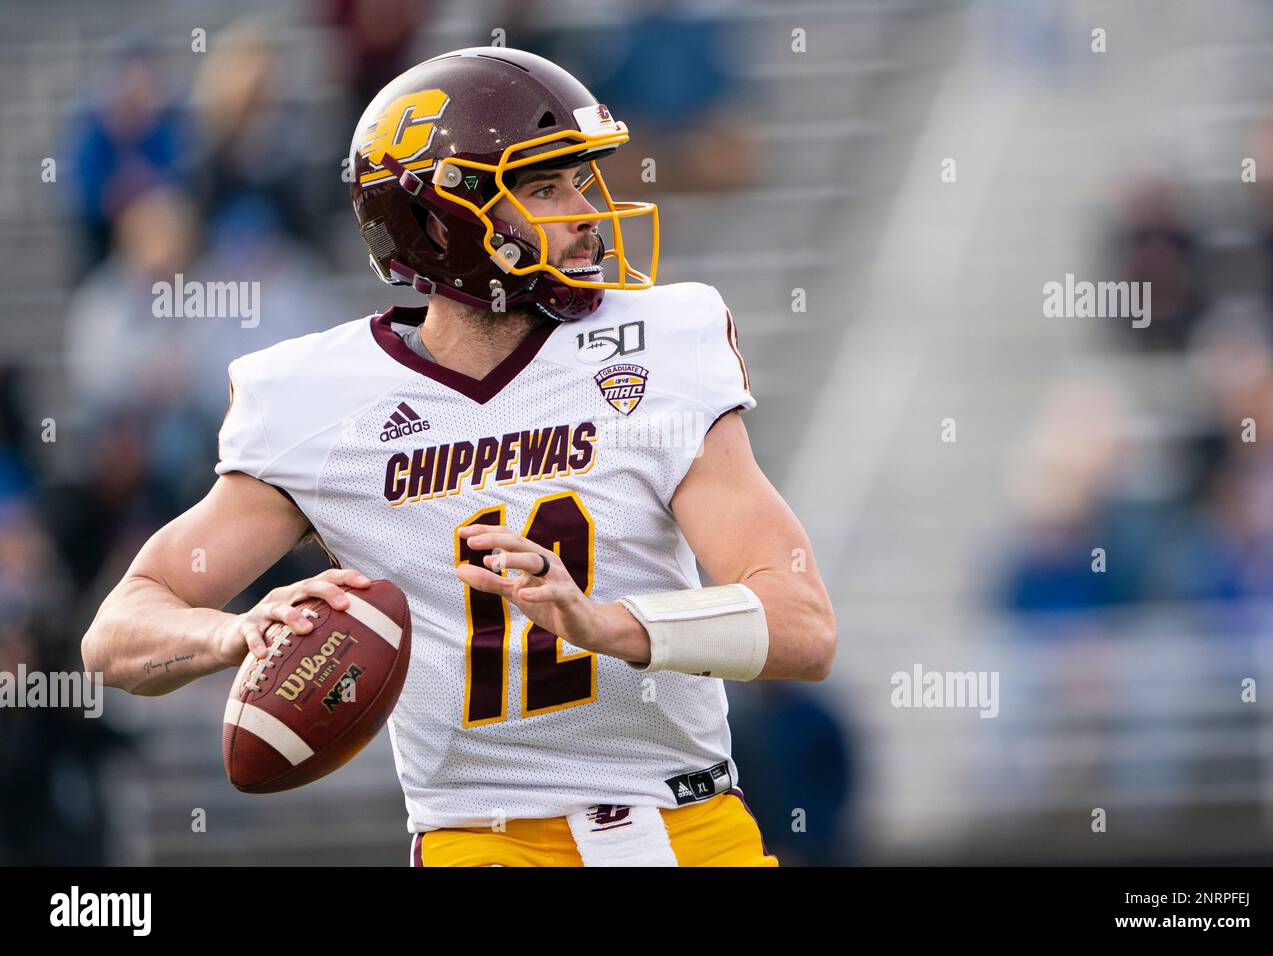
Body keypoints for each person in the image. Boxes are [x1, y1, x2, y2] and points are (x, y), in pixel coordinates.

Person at [81, 48, 836, 867]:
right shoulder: (318, 399)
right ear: (443, 221)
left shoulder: (659, 346)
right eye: (544, 187)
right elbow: (115, 639)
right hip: (481, 839)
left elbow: (803, 625)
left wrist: (603, 624)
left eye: (579, 182)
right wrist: (235, 634)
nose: (584, 212)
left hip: (689, 823)